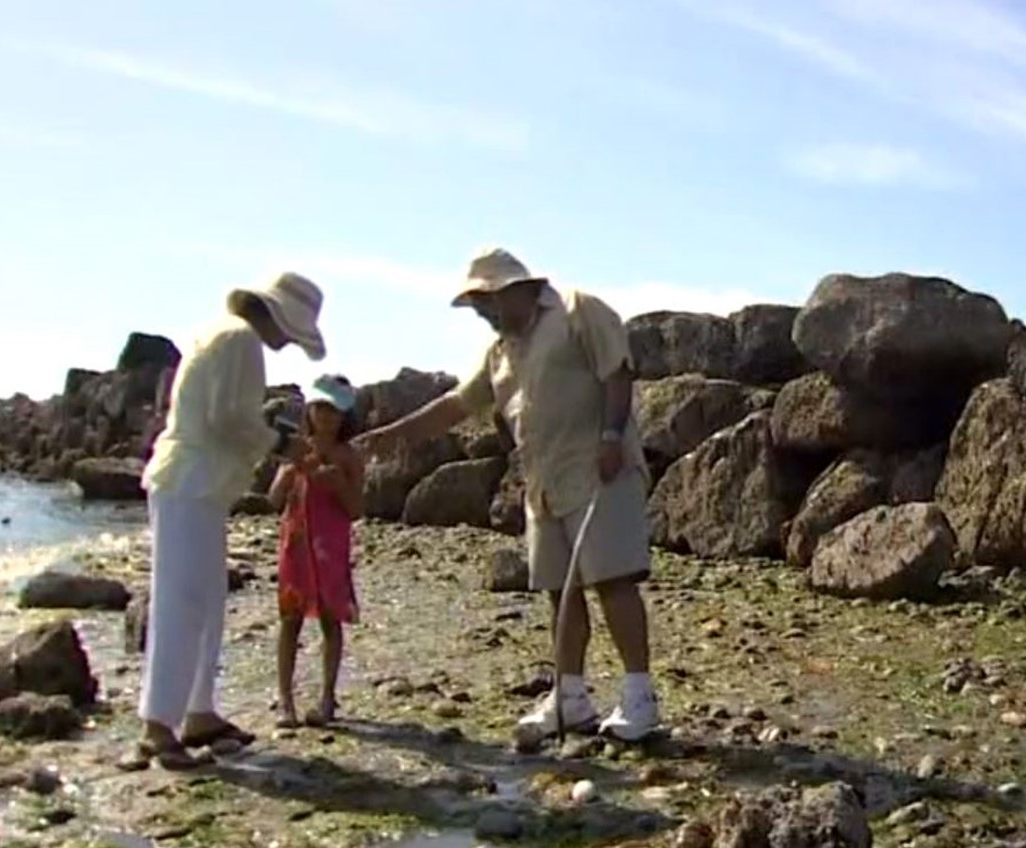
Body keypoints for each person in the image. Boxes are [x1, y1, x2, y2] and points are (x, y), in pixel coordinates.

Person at [354, 247, 660, 746]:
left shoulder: (578, 309)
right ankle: (570, 696)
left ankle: (640, 697)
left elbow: (616, 372)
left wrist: (610, 438)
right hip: (543, 481)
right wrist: (395, 434)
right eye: (477, 309)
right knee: (558, 591)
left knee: (612, 581)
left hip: (598, 469)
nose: (484, 316)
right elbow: (458, 403)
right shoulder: (500, 351)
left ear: (512, 289)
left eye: (485, 304)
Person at [134, 271, 328, 769]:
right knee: (183, 603)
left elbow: (225, 414)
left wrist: (271, 438)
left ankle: (197, 711)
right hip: (191, 481)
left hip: (194, 482)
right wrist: (282, 444)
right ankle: (159, 725)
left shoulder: (222, 333)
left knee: (205, 600)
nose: (287, 343)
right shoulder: (240, 339)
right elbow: (227, 419)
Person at [271, 373, 364, 728]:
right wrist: (291, 469)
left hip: (330, 547)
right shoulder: (297, 451)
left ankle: (327, 697)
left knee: (331, 620)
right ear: (309, 410)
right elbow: (274, 499)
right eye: (320, 408)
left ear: (345, 416)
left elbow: (356, 508)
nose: (326, 417)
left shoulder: (348, 456)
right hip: (295, 547)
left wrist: (337, 483)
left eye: (334, 410)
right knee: (289, 621)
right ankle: (285, 700)